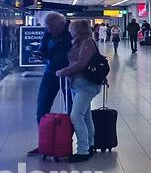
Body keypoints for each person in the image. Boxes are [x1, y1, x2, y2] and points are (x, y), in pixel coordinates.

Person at [27, 13, 73, 156]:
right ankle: (45, 142)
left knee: (71, 109)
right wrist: (40, 53)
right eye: (47, 28)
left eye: (51, 28)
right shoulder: (48, 32)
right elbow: (43, 48)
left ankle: (63, 142)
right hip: (51, 72)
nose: (49, 31)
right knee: (42, 106)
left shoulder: (72, 32)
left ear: (61, 24)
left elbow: (73, 53)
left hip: (69, 74)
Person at [56, 19, 101, 163]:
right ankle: (90, 144)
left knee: (76, 116)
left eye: (72, 29)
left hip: (86, 85)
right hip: (79, 84)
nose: (70, 32)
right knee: (85, 116)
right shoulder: (78, 42)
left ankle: (83, 151)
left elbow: (82, 63)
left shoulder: (87, 43)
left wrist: (64, 71)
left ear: (77, 30)